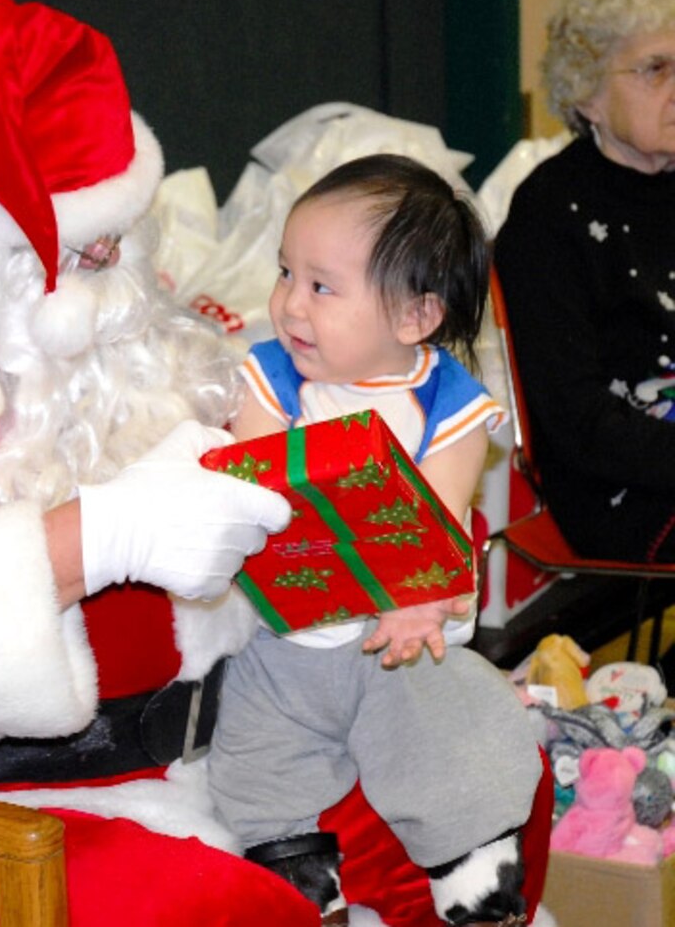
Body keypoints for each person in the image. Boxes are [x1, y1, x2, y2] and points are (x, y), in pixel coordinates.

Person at [0, 0, 552, 926]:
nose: (110, 268)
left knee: (488, 791)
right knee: (222, 913)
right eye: (73, 251)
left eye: (112, 238)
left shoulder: (93, 311)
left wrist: (401, 551)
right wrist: (95, 538)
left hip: (220, 733)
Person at [207, 154, 544, 927]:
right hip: (291, 642)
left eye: (322, 287)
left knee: (454, 724)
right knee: (255, 754)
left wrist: (421, 597)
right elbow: (255, 475)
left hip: (399, 634)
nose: (290, 304)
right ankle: (294, 870)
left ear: (414, 318)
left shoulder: (449, 405)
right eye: (286, 272)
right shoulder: (270, 378)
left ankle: (475, 866)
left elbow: (443, 510)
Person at [494, 0, 675, 568]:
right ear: (587, 90)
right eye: (656, 69)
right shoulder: (550, 213)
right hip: (622, 487)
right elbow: (578, 421)